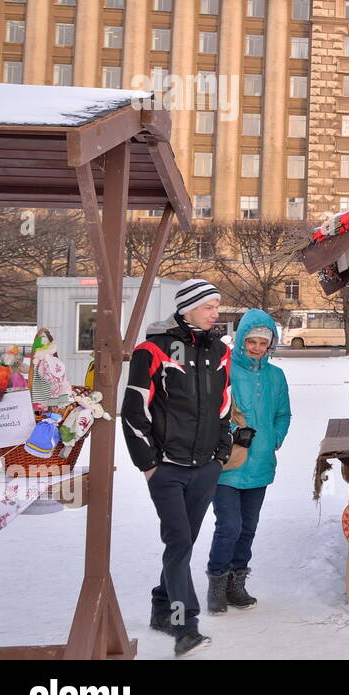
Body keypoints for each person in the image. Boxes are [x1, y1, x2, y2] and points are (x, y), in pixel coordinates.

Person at [121, 278, 232, 657]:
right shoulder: (152, 350)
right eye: (209, 307)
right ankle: (185, 625)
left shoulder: (220, 351)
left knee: (182, 544)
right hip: (167, 469)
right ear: (187, 308)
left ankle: (159, 605)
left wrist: (220, 457)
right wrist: (149, 464)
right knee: (179, 541)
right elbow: (134, 411)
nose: (216, 313)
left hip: (205, 469)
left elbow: (224, 408)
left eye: (216, 306)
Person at [207, 310, 291, 614]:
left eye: (263, 342)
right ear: (242, 339)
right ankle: (216, 583)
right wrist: (230, 433)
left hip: (260, 464)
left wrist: (275, 438)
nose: (257, 347)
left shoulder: (276, 376)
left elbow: (283, 414)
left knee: (248, 528)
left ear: (271, 345)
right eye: (252, 341)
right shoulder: (224, 369)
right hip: (227, 464)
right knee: (229, 525)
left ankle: (236, 584)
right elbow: (210, 410)